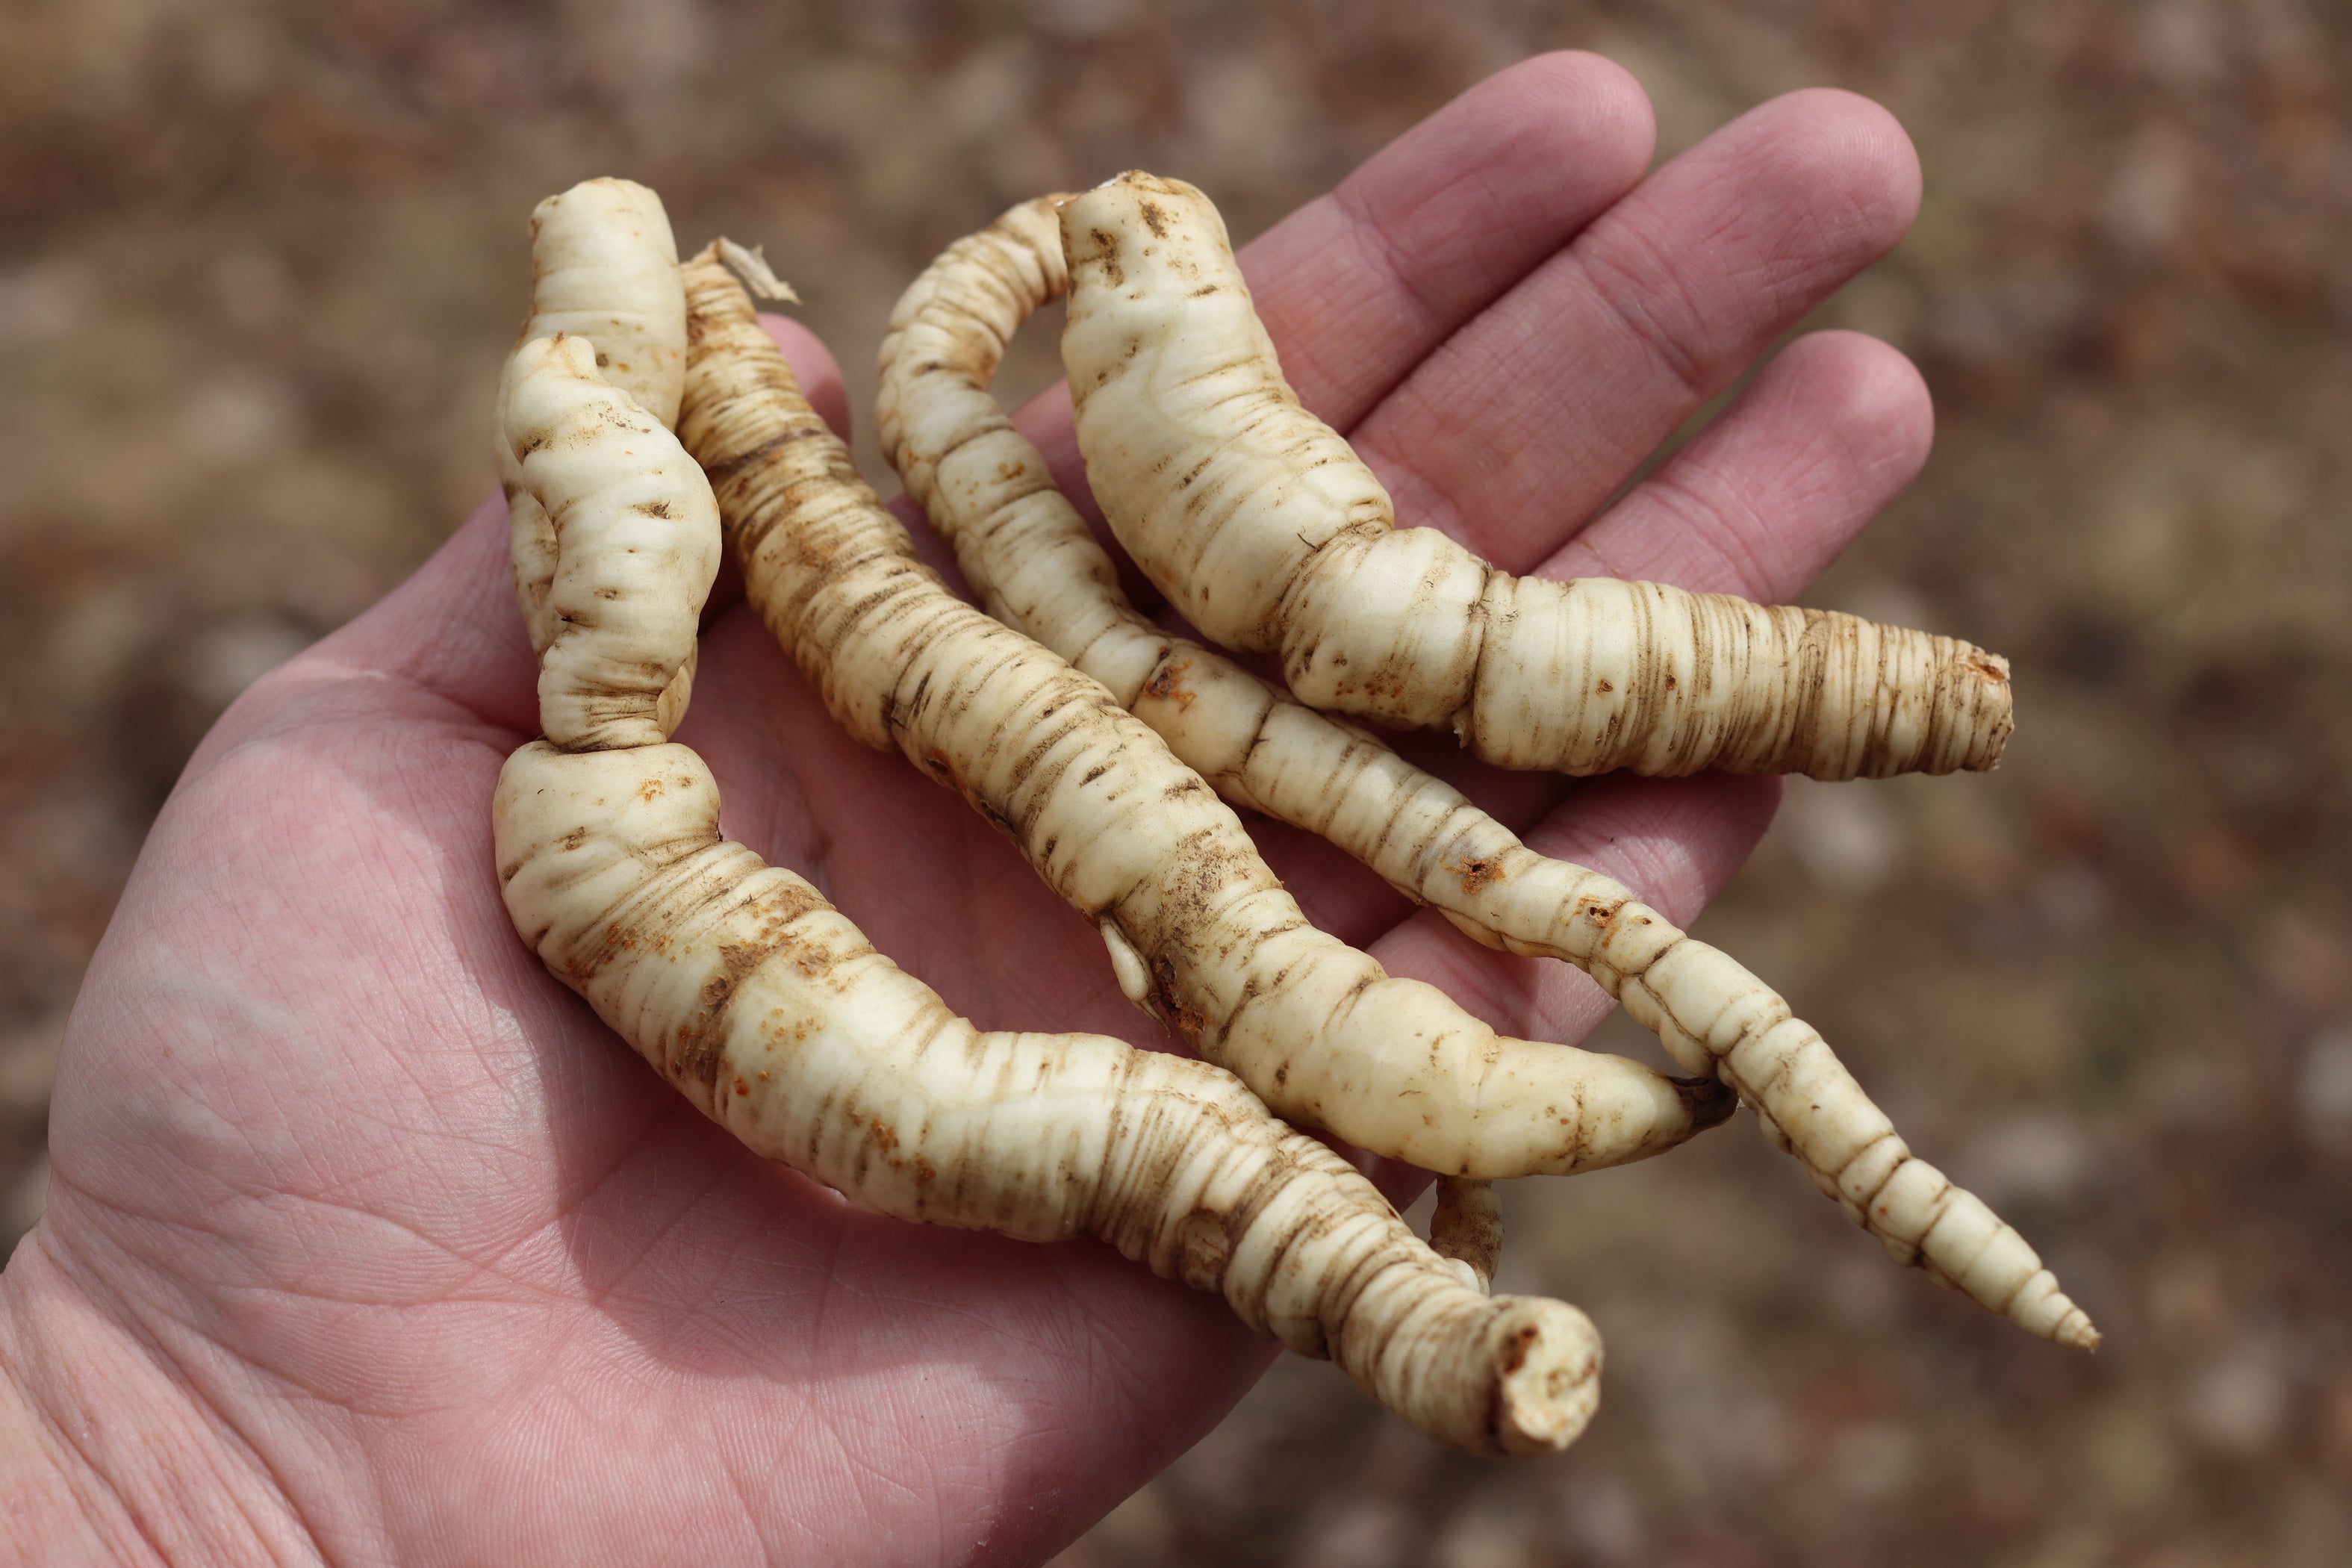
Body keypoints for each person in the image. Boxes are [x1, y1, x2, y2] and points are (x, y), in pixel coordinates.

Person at [0, 53, 1933, 1565]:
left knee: (1326, 859)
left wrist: (180, 1487)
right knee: (1240, 1045)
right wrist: (191, 1461)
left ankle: (1476, 1251)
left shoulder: (639, 698)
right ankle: (1437, 1308)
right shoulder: (588, 780)